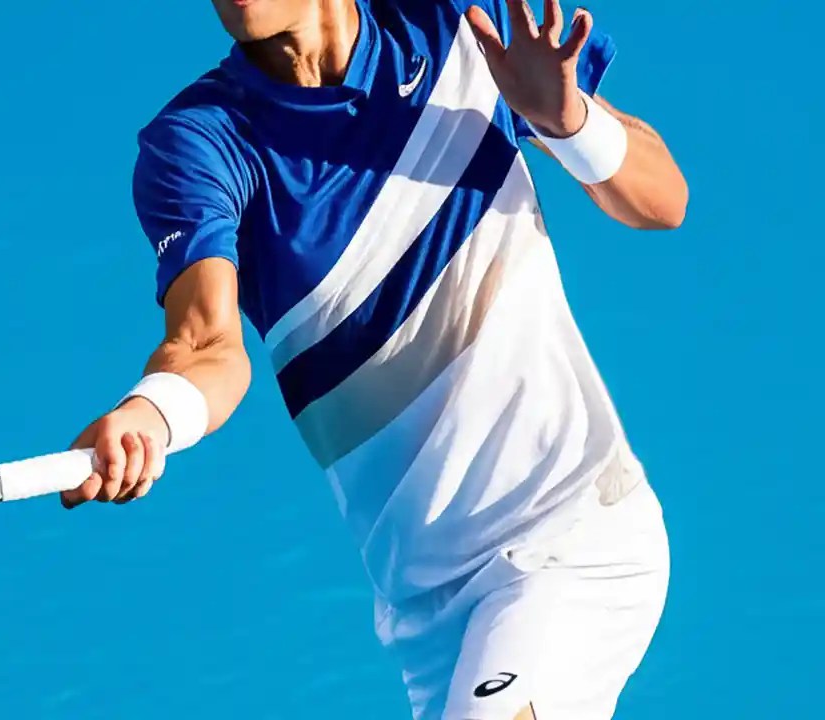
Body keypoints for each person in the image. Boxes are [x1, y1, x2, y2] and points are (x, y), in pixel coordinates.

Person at [61, 0, 687, 717]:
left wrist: (569, 119)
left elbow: (664, 201)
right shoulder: (199, 143)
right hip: (428, 619)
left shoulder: (454, 23)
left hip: (568, 535)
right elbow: (206, 344)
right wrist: (152, 414)